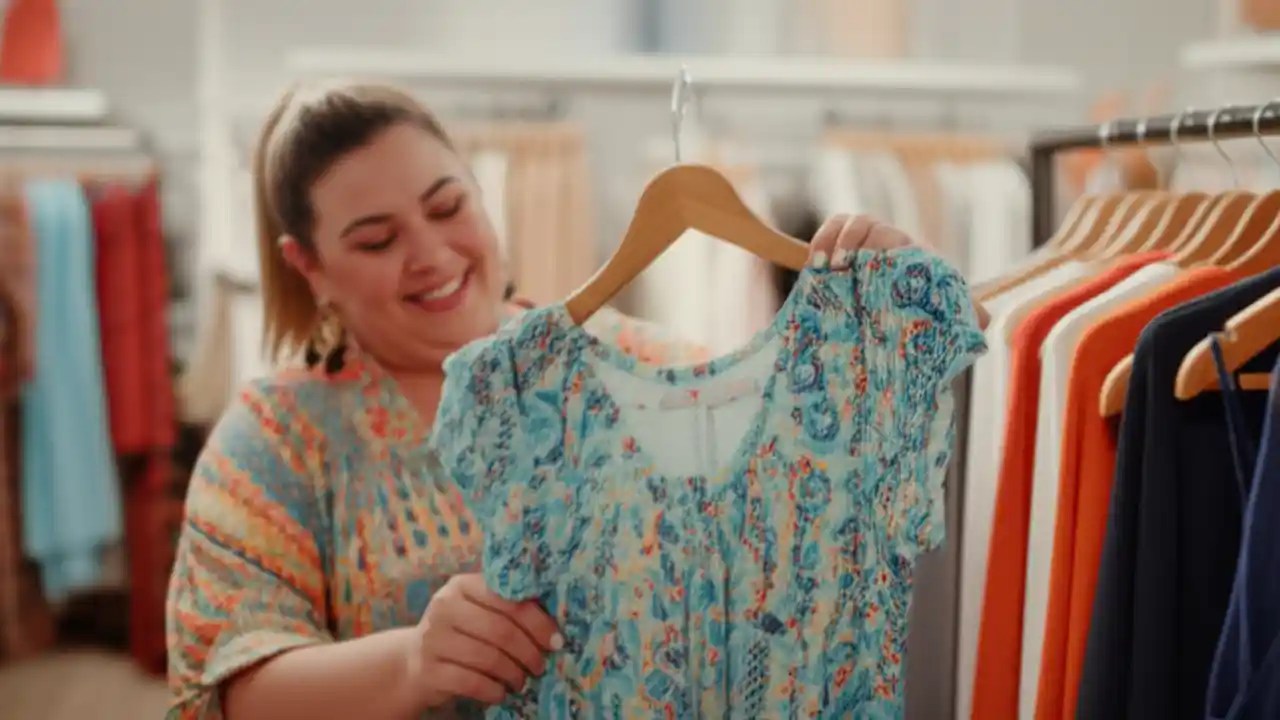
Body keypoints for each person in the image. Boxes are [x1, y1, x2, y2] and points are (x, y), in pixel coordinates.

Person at [165, 79, 980, 720]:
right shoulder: (276, 439)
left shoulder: (646, 371)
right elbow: (227, 691)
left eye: (448, 206)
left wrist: (886, 325)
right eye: (377, 240)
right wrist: (414, 661)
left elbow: (836, 493)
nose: (431, 253)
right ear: (308, 268)